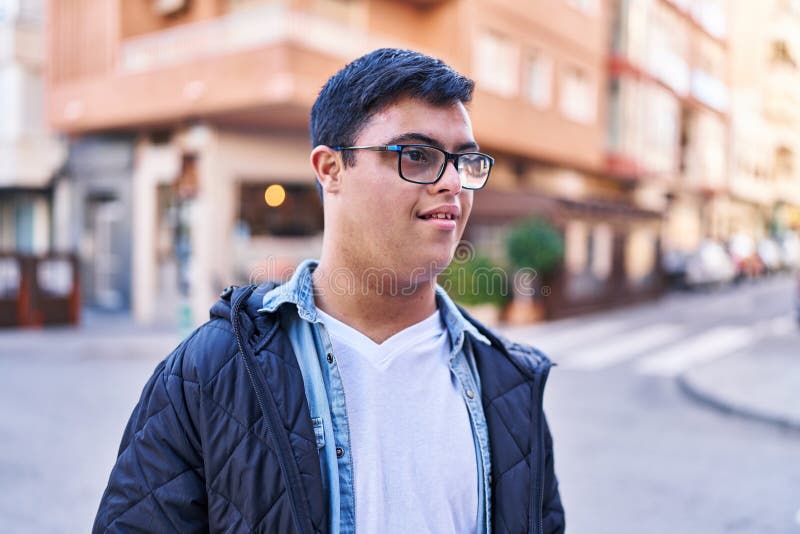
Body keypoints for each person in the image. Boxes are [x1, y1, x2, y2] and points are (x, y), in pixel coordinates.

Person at [94, 48, 564, 534]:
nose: (451, 181)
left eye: (464, 160)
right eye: (417, 156)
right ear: (331, 169)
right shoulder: (213, 370)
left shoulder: (511, 385)